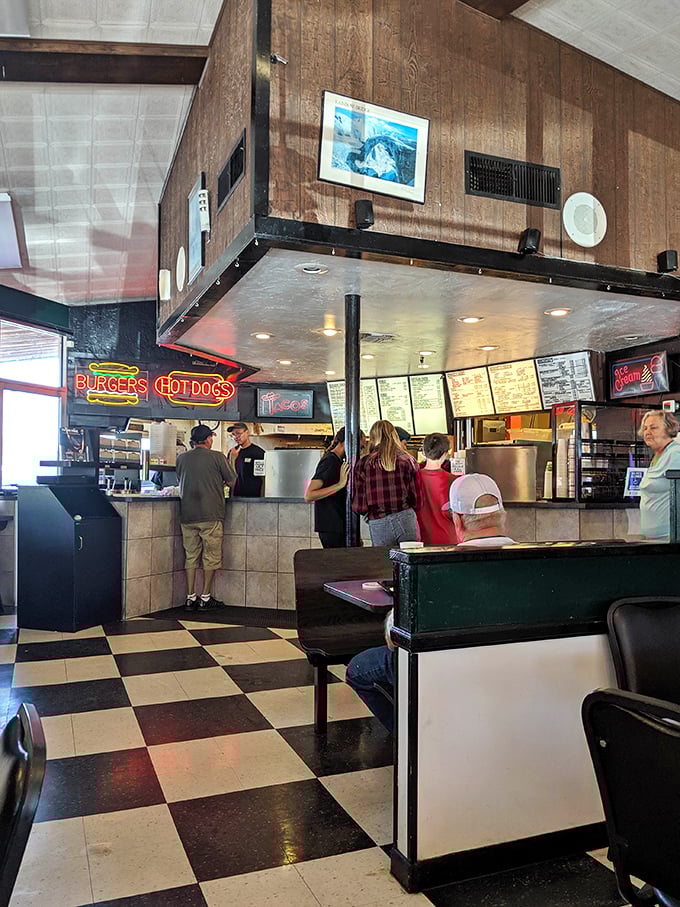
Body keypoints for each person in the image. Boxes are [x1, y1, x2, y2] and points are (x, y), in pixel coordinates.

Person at [346, 473, 514, 732]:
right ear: (503, 516)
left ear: (457, 520)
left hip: (446, 670)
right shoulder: (534, 563)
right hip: (511, 671)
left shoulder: (438, 569)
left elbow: (394, 634)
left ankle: (409, 738)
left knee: (358, 669)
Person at [176, 424, 236, 610]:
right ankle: (205, 597)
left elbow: (180, 480)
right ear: (208, 439)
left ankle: (190, 597)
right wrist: (233, 460)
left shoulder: (181, 458)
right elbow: (232, 481)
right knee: (211, 556)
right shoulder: (217, 457)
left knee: (191, 556)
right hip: (211, 514)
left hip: (187, 514)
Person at [352, 420, 422, 548]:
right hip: (405, 517)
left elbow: (359, 506)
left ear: (373, 438)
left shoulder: (363, 463)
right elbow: (417, 499)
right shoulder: (408, 460)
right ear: (393, 435)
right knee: (410, 558)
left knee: (383, 559)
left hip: (378, 521)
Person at [304, 427, 353, 548]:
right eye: (359, 447)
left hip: (336, 525)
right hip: (331, 526)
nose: (359, 451)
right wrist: (339, 485)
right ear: (345, 443)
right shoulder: (330, 461)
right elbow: (309, 495)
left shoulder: (338, 461)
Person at [638, 409, 680, 540]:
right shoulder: (658, 455)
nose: (647, 432)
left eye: (653, 428)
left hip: (670, 536)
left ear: (669, 429)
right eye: (645, 428)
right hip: (655, 537)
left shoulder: (675, 454)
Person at [415, 433, 462, 546]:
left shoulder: (413, 478)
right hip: (450, 540)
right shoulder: (455, 481)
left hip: (421, 541)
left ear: (423, 452)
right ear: (446, 454)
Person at [227, 422, 266, 497]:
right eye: (233, 434)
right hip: (235, 496)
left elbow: (263, 478)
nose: (236, 437)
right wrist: (233, 458)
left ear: (247, 432)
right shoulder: (233, 452)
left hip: (253, 496)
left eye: (238, 433)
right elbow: (229, 475)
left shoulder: (258, 453)